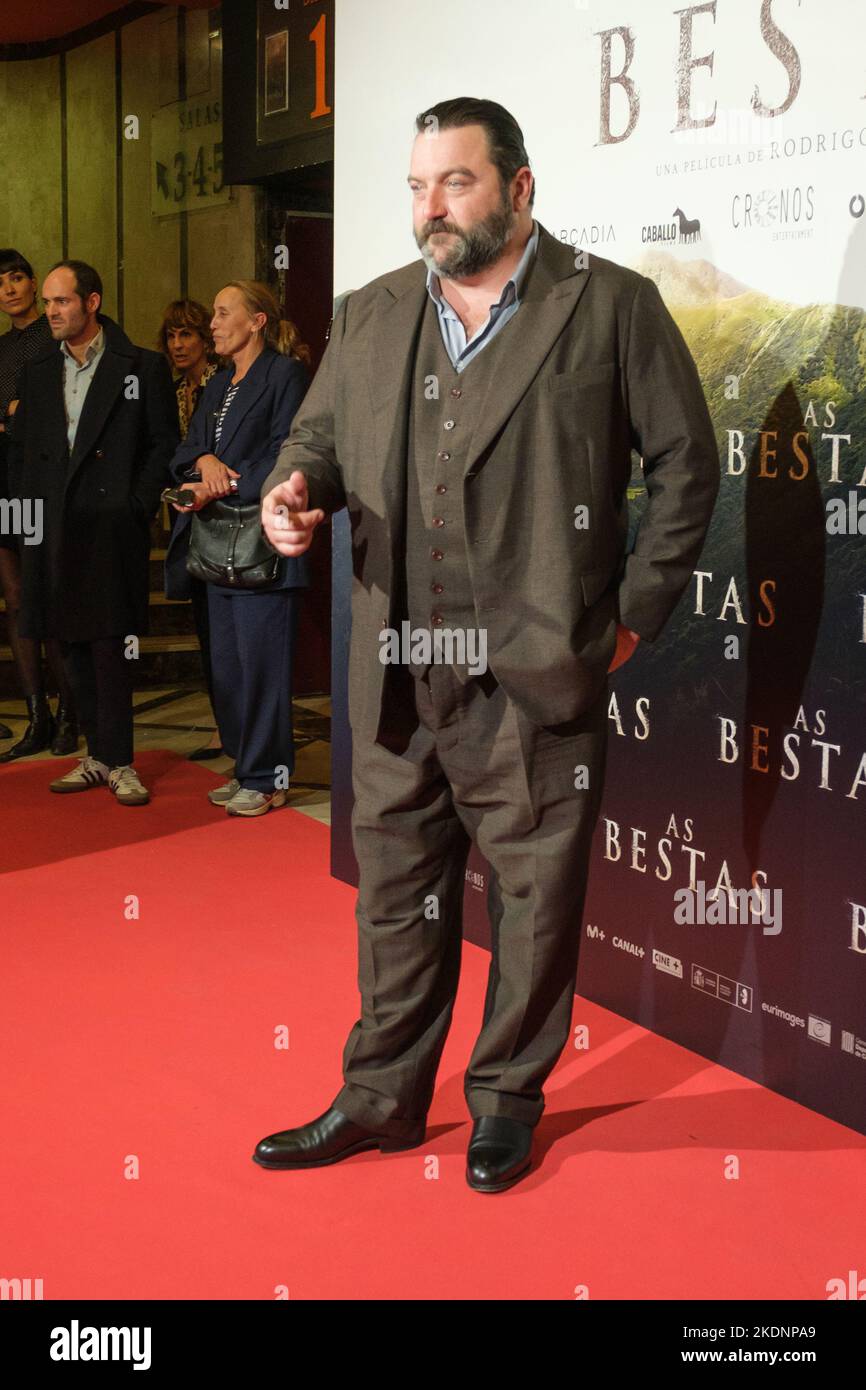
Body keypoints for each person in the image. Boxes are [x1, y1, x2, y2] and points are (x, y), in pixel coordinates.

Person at [256, 98, 720, 1191]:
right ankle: (379, 1097)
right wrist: (292, 490)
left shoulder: (609, 306)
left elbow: (685, 466)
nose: (429, 209)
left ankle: (504, 1098)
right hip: (395, 672)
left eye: (454, 184)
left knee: (532, 902)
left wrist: (630, 616)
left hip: (531, 676)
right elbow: (314, 438)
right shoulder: (370, 313)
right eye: (416, 187)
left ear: (518, 187)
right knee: (393, 897)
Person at [9, 259, 179, 805]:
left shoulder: (140, 367)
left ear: (92, 302)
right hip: (53, 526)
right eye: (51, 302)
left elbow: (162, 446)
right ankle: (96, 755)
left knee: (110, 647)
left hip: (110, 527)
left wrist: (135, 506)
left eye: (62, 302)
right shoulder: (36, 372)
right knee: (69, 644)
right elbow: (26, 457)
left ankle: (121, 760)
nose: (53, 312)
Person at [164, 281, 310, 817]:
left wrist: (221, 484)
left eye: (224, 313)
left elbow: (289, 452)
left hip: (261, 545)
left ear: (258, 322)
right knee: (227, 668)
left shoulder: (284, 375)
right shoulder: (218, 383)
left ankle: (268, 777)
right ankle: (247, 766)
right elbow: (184, 451)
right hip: (212, 548)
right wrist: (200, 465)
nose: (213, 324)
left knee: (262, 667)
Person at [0, 248, 78, 760]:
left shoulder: (52, 338)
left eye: (16, 278)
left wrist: (19, 415)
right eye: (0, 282)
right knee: (16, 597)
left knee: (49, 594)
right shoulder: (2, 347)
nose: (8, 289)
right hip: (3, 477)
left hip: (41, 478)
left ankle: (71, 713)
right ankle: (37, 716)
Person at [157, 298, 221, 761]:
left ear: (204, 340)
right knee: (204, 627)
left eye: (187, 335)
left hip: (225, 509)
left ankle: (236, 728)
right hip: (187, 516)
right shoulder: (174, 390)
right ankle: (223, 724)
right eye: (172, 337)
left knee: (226, 628)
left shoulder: (224, 385)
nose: (178, 345)